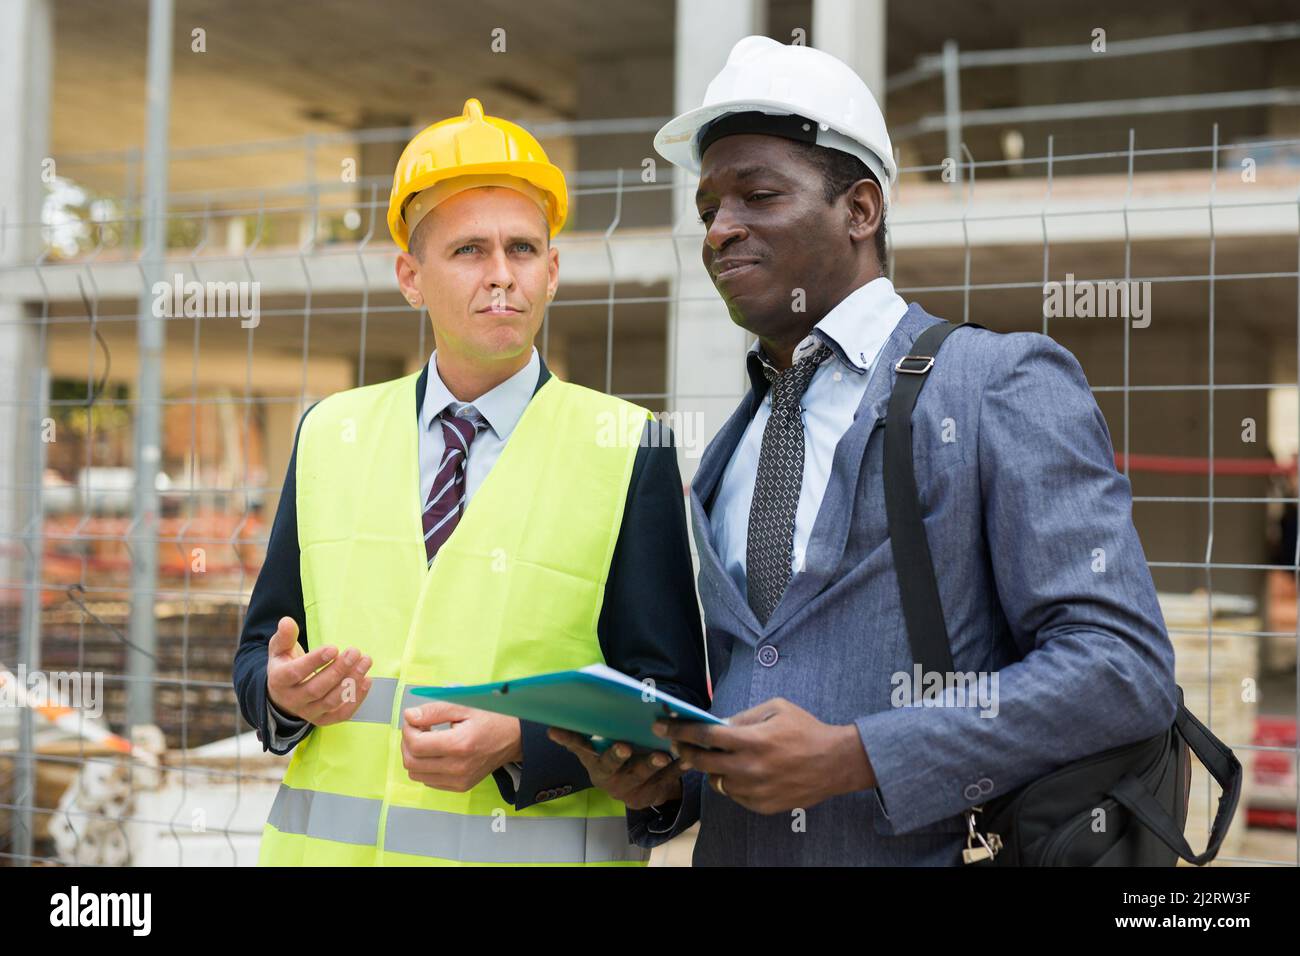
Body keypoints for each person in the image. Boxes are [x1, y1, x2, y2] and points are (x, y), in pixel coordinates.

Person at [553, 36, 1178, 866]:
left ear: (860, 210)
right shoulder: (733, 445)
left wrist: (858, 754)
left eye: (758, 196)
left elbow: (1121, 669)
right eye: (708, 210)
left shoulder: (996, 382)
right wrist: (674, 783)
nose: (720, 230)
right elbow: (761, 689)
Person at [232, 98, 707, 866]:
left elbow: (666, 701)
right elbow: (262, 652)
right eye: (467, 252)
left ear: (551, 273)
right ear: (410, 278)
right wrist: (280, 695)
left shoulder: (629, 443)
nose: (500, 276)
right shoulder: (329, 432)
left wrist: (525, 745)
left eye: (522, 250)